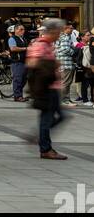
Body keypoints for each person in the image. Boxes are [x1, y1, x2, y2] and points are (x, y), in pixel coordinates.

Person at [26, 18, 67, 160]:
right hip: (46, 88)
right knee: (47, 118)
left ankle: (41, 138)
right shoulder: (40, 45)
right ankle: (45, 148)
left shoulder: (49, 45)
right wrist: (50, 65)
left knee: (60, 116)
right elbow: (32, 63)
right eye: (58, 32)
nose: (59, 35)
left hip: (52, 86)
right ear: (53, 31)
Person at [7, 24, 28, 102]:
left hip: (24, 61)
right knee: (17, 79)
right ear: (15, 30)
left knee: (24, 79)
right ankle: (17, 96)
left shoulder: (23, 39)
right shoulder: (12, 39)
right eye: (21, 29)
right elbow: (13, 48)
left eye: (23, 29)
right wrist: (25, 48)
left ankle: (19, 94)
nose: (23, 31)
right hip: (17, 62)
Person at [80, 29, 94, 106]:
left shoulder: (90, 43)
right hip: (85, 67)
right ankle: (85, 99)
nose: (90, 36)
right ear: (82, 37)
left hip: (90, 66)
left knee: (92, 83)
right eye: (87, 35)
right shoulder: (79, 45)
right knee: (85, 83)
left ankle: (92, 99)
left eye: (90, 35)